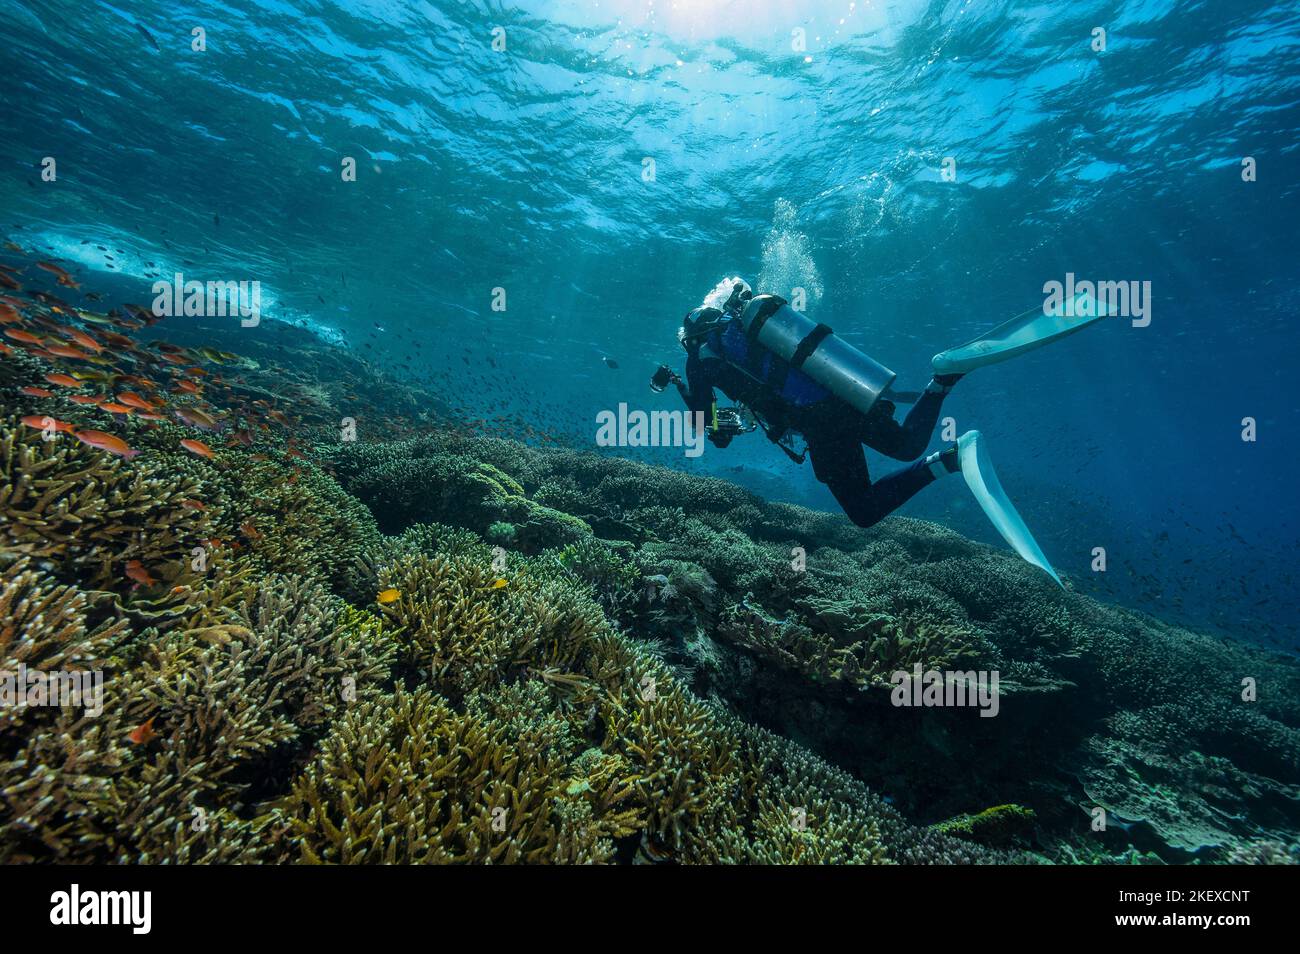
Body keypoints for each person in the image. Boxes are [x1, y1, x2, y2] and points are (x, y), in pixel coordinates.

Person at [666, 277, 964, 529]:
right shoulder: (742, 326)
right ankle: (941, 382)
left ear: (691, 338)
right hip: (841, 393)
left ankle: (951, 459)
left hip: (818, 425)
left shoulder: (698, 358)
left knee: (864, 511)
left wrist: (682, 387)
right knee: (906, 445)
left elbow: (712, 426)